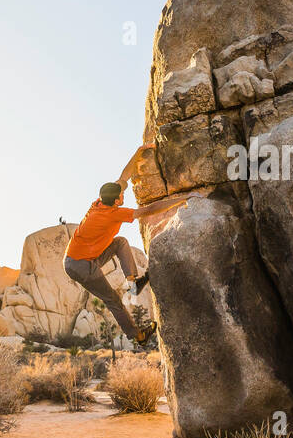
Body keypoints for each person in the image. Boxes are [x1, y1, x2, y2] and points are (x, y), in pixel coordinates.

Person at [63, 143, 198, 346]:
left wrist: (138, 152)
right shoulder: (113, 214)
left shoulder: (102, 201)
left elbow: (124, 176)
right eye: (122, 196)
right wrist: (183, 199)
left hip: (81, 257)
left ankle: (133, 283)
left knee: (120, 243)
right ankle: (138, 336)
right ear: (116, 201)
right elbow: (149, 210)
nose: (124, 195)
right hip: (80, 265)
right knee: (112, 300)